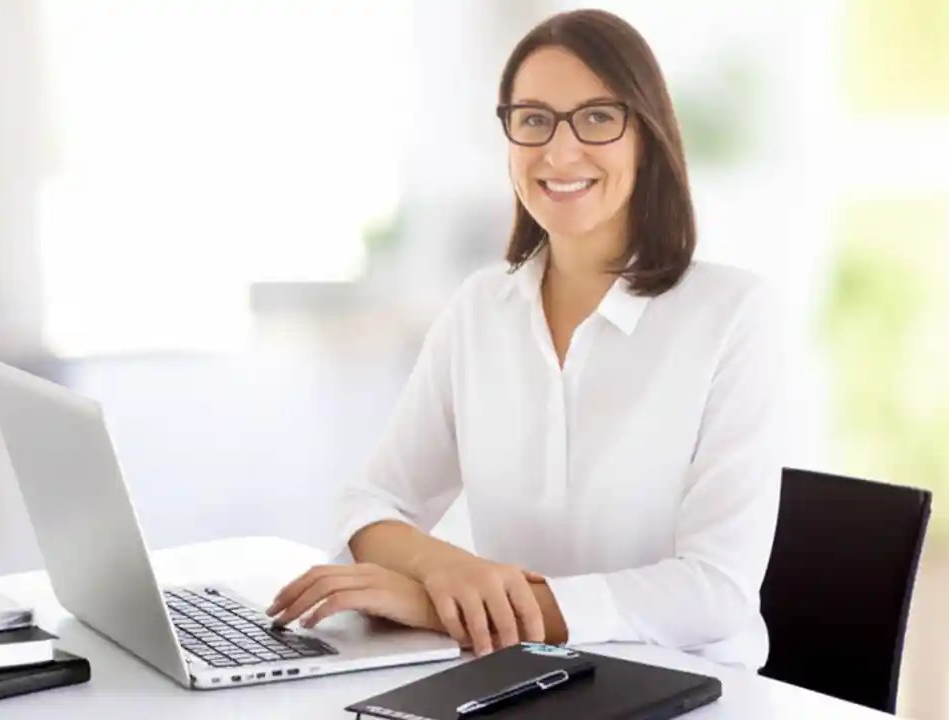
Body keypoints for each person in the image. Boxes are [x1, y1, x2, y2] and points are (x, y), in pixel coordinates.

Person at [265, 8, 782, 670]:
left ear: (646, 137)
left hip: (692, 689)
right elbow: (370, 501)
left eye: (598, 117)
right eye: (534, 119)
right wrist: (449, 573)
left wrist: (447, 608)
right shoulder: (481, 308)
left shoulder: (733, 314)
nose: (559, 151)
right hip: (524, 677)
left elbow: (715, 593)